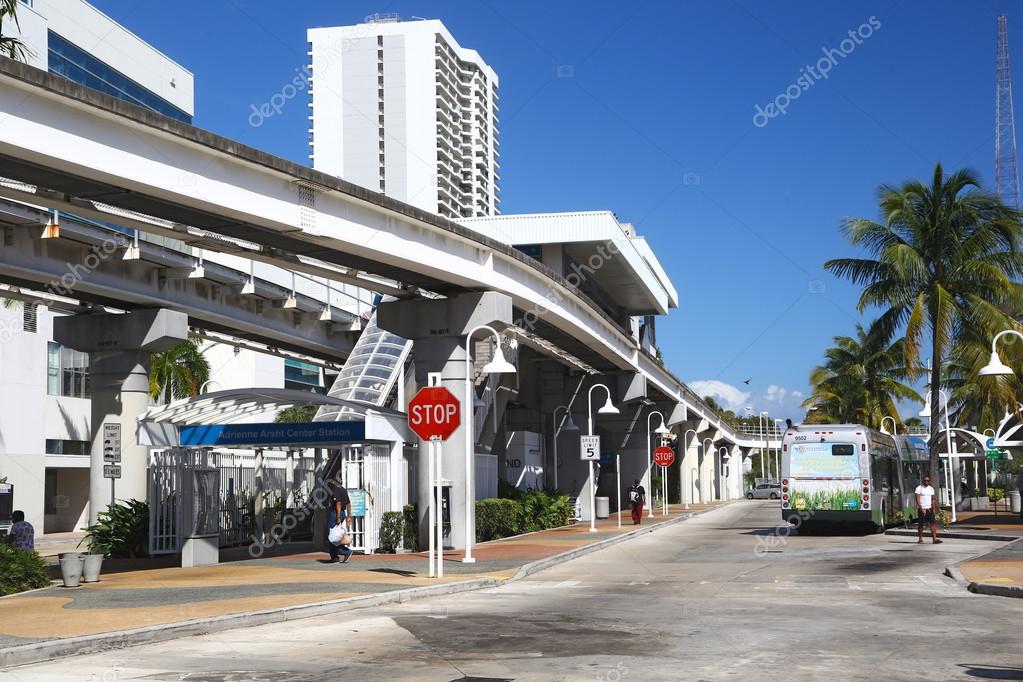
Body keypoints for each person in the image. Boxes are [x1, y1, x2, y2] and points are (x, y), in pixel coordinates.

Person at [325, 478, 352, 564]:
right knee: (335, 535)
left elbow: (338, 503)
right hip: (342, 513)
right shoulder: (344, 490)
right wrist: (349, 516)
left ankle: (346, 552)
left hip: (336, 513)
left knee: (331, 536)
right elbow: (348, 504)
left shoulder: (336, 490)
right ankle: (334, 557)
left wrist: (338, 517)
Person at [915, 475, 942, 545]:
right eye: (925, 480)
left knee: (933, 524)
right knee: (921, 525)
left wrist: (933, 508)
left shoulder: (931, 489)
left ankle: (934, 539)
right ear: (923, 481)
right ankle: (920, 539)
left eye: (928, 480)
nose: (926, 482)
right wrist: (921, 508)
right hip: (922, 509)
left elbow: (933, 499)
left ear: (929, 481)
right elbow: (917, 500)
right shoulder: (919, 488)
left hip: (929, 509)